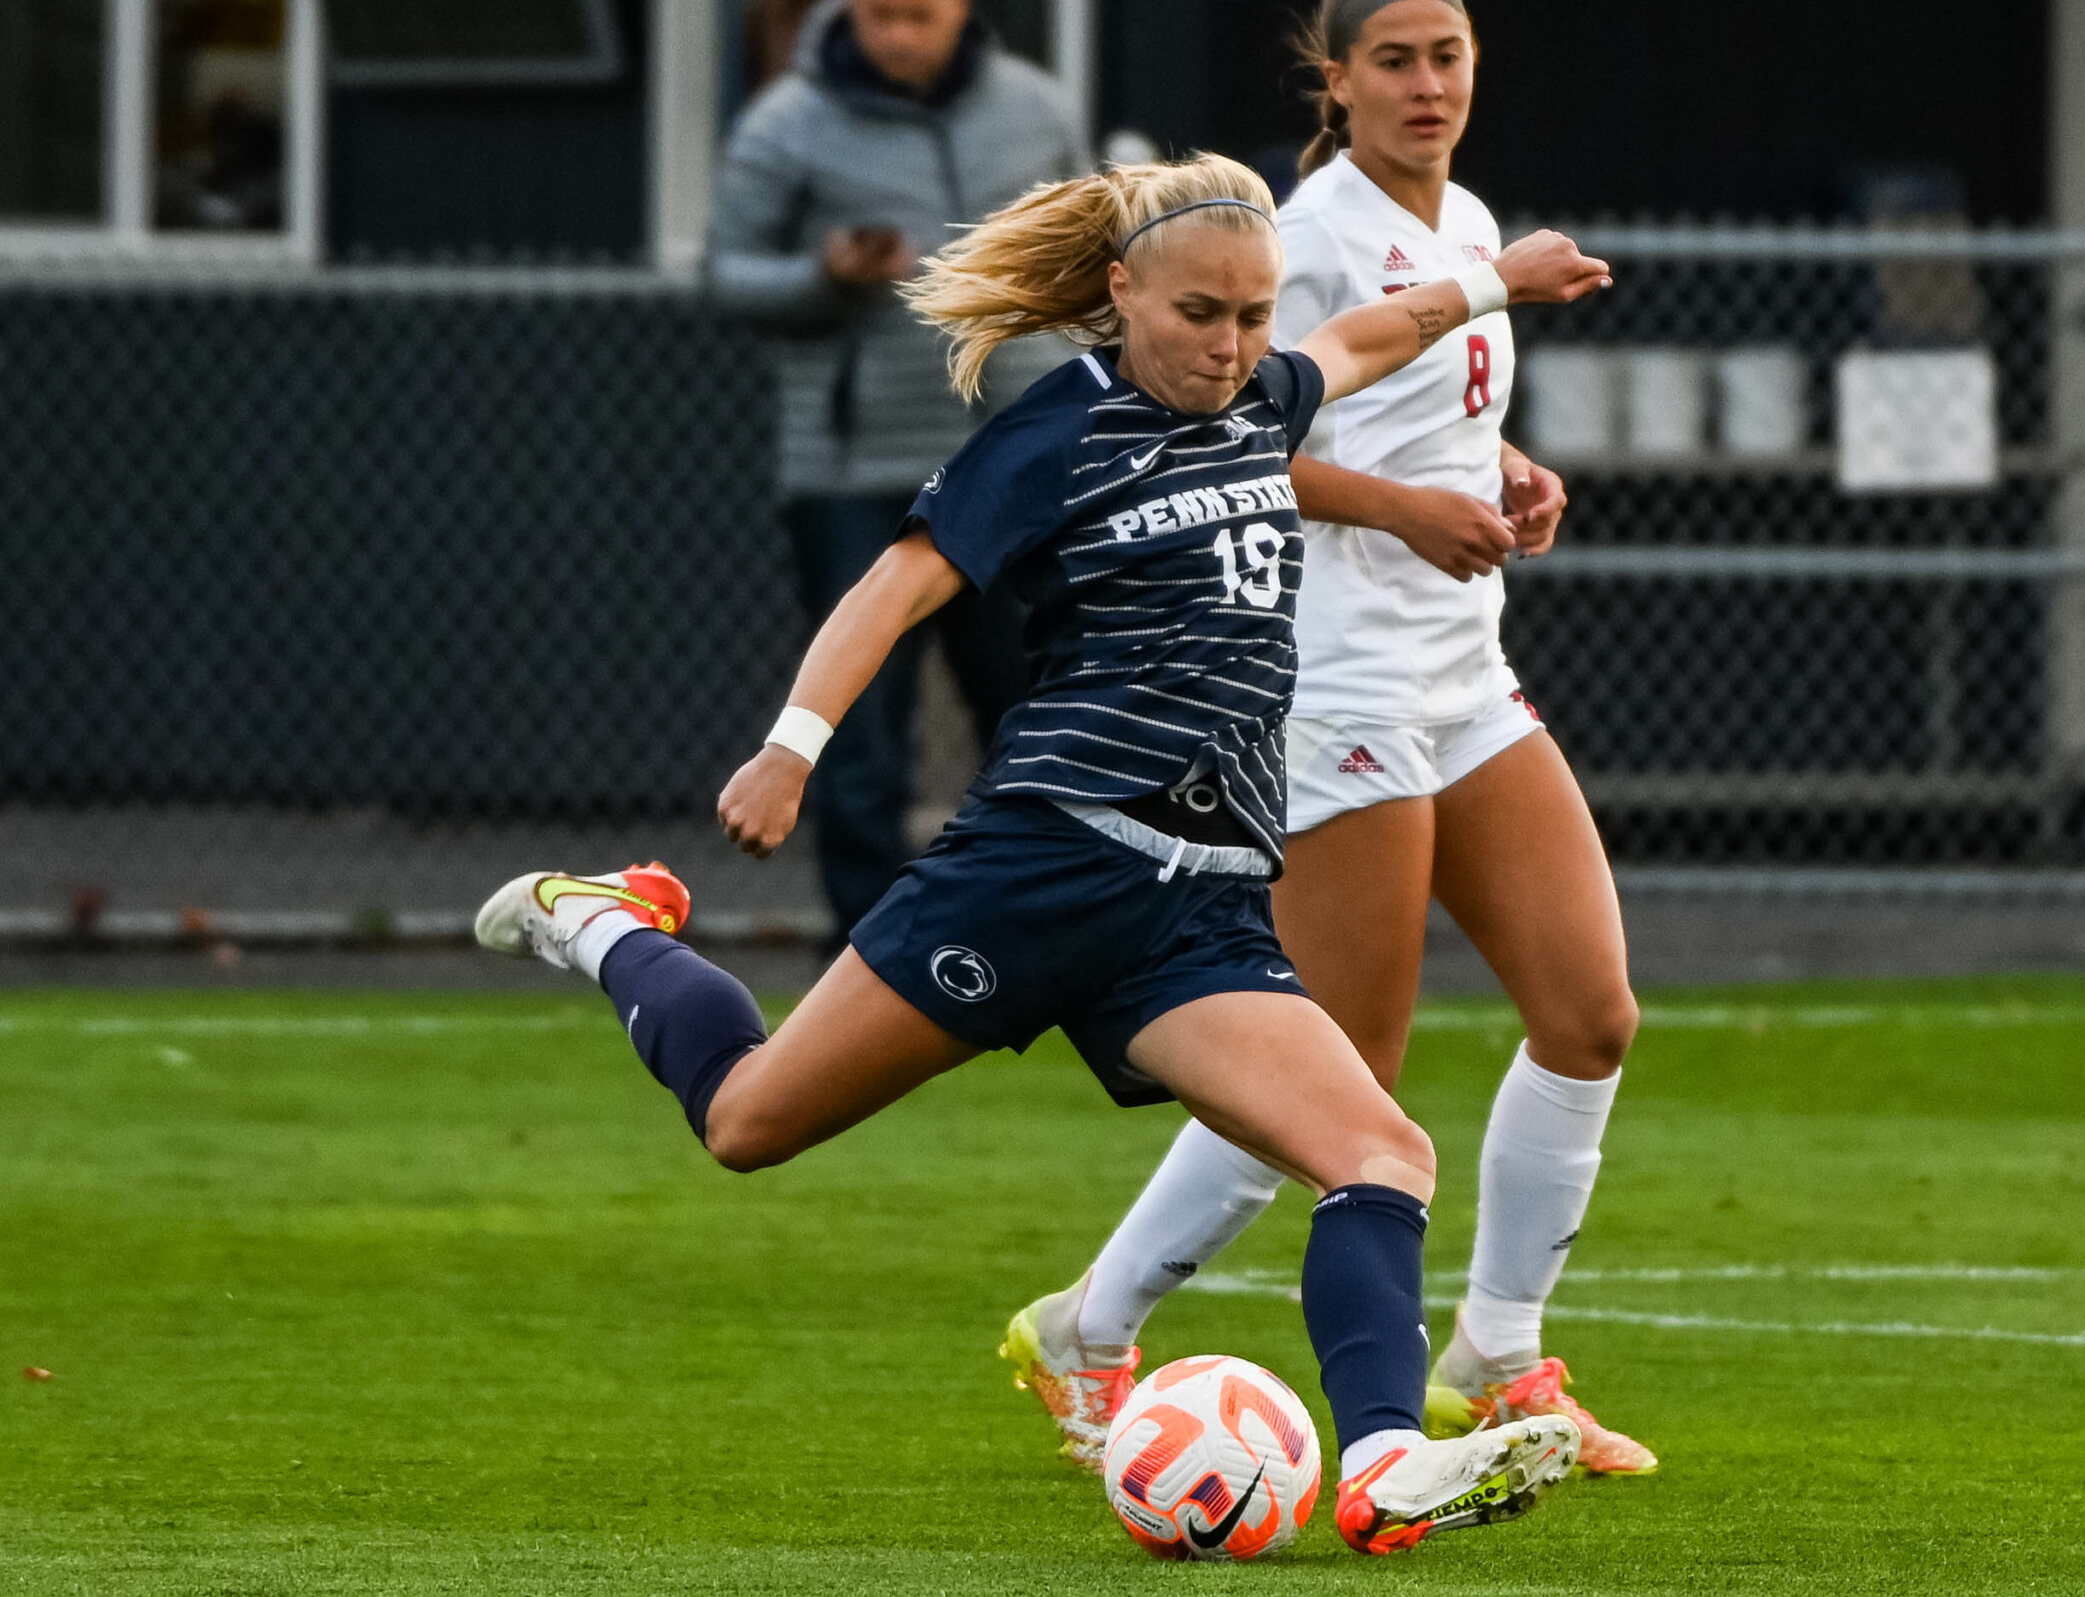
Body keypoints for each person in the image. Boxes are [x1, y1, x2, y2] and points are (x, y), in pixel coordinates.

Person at [472, 153, 1613, 1553]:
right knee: (748, 1121)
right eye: (1204, 312)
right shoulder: (1055, 432)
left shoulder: (1263, 397)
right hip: (1039, 869)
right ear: (1122, 291)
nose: (1234, 345)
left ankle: (1379, 1459)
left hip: (1196, 908)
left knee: (1380, 1149)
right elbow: (896, 584)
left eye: (1255, 316)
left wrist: (1503, 276)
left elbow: (1372, 334)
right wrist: (791, 744)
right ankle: (604, 921)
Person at [1007, 0, 1657, 1478]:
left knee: (1589, 1010)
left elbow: (1439, 422)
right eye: (1398, 61)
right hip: (1334, 669)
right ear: (1339, 81)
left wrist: (1508, 473)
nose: (1430, 84)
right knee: (1342, 1052)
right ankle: (1091, 1323)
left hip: (1463, 667)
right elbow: (1228, 432)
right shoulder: (1301, 238)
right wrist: (1400, 511)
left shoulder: (1473, 227)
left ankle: (1498, 1354)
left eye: (1452, 54)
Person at [708, 0, 1088, 941]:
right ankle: (871, 960)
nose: (898, 36)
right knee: (858, 734)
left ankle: (1035, 931)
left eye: (918, 15)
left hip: (1012, 462)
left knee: (1033, 707)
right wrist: (822, 275)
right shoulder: (786, 121)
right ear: (850, 4)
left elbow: (1088, 251)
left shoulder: (1036, 108)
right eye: (878, 14)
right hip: (854, 466)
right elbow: (726, 274)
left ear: (961, 5)